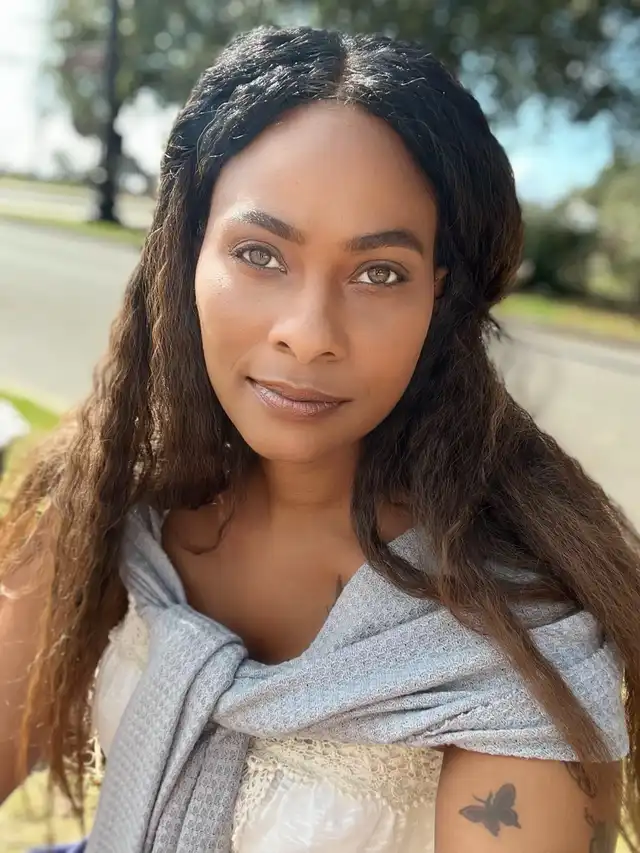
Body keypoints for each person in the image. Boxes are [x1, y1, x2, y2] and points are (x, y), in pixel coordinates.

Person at [1, 26, 638, 853]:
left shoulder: (513, 635)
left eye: (379, 272)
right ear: (188, 253)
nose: (308, 334)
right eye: (260, 253)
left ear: (437, 299)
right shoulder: (110, 502)